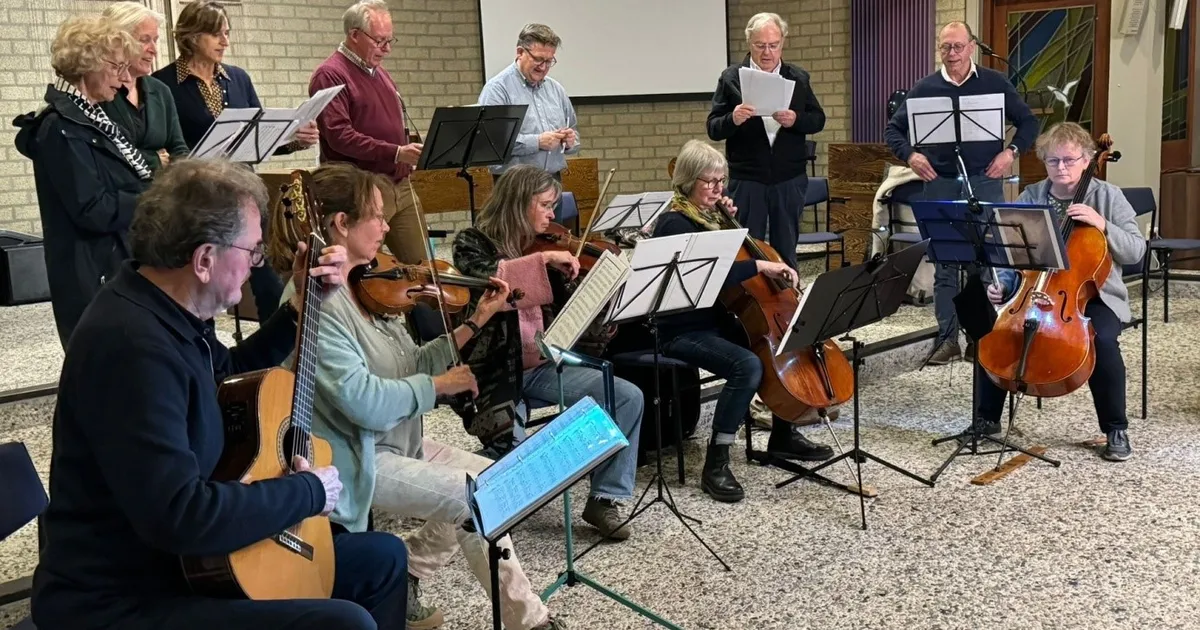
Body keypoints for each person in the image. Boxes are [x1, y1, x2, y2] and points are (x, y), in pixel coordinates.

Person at [29, 158, 408, 630]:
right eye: (251, 251)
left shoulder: (168, 309)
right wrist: (306, 492)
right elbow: (181, 514)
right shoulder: (132, 347)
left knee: (384, 558)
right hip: (122, 595)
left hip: (183, 561)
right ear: (205, 259)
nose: (256, 265)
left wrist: (299, 310)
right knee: (343, 623)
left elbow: (225, 377)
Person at [281, 162, 568, 630]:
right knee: (476, 497)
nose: (387, 226)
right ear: (340, 224)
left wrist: (478, 318)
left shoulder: (369, 290)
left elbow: (410, 363)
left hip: (399, 439)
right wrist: (438, 387)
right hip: (356, 455)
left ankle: (411, 568)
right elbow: (362, 401)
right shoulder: (321, 303)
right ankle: (530, 622)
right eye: (376, 215)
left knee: (491, 476)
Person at [452, 164, 642, 539]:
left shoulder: (549, 248)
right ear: (519, 204)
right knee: (507, 471)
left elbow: (572, 320)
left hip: (543, 365)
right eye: (545, 205)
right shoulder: (471, 242)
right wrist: (543, 262)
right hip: (494, 372)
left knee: (627, 397)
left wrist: (602, 310)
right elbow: (494, 280)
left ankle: (605, 498)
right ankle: (461, 489)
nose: (553, 215)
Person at [652, 140, 834, 502]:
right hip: (682, 329)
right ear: (688, 180)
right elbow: (715, 274)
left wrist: (727, 224)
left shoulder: (710, 217)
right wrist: (759, 264)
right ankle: (716, 461)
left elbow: (735, 273)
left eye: (722, 181)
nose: (719, 189)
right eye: (710, 182)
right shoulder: (674, 223)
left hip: (719, 321)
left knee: (786, 343)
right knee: (747, 365)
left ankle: (783, 436)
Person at [978, 122, 1144, 461]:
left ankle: (1115, 427)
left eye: (1070, 160)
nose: (1062, 168)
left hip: (1093, 296)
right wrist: (1003, 286)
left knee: (1102, 341)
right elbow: (1013, 256)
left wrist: (1103, 224)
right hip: (1034, 290)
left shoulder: (1108, 197)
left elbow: (1136, 251)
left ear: (1086, 160)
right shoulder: (1032, 197)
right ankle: (986, 419)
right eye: (1053, 161)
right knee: (993, 331)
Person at [152, 0, 319, 323]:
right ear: (191, 36)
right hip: (197, 199)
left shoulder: (238, 79)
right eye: (216, 34)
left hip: (243, 194)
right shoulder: (164, 85)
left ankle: (282, 351)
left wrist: (296, 139)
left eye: (226, 33)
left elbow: (261, 136)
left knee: (265, 277)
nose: (225, 41)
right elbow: (168, 145)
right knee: (203, 280)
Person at [884, 21, 1039, 365]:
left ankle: (983, 337)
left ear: (972, 47)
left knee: (988, 261)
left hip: (985, 180)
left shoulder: (994, 83)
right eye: (944, 48)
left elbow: (1029, 122)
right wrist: (911, 155)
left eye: (957, 47)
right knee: (945, 263)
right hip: (940, 183)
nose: (951, 54)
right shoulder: (924, 88)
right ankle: (947, 338)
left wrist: (1010, 152)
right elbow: (893, 130)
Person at [13, 15, 152, 348]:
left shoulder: (92, 117)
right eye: (117, 67)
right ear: (88, 62)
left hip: (115, 260)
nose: (124, 79)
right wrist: (155, 199)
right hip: (92, 274)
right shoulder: (59, 127)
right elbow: (93, 208)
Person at [308, 0, 428, 267]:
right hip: (363, 190)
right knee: (360, 271)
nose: (387, 49)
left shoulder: (380, 73)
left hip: (400, 185)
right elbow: (339, 136)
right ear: (354, 35)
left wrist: (409, 150)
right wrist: (396, 152)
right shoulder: (330, 74)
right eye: (380, 41)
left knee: (422, 270)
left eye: (390, 40)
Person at [707, 12, 825, 271]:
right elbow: (713, 128)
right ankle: (754, 306)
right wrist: (733, 119)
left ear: (783, 42)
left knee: (786, 249)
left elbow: (818, 120)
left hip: (788, 178)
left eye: (773, 45)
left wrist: (796, 119)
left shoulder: (798, 77)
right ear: (749, 43)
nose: (767, 52)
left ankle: (788, 302)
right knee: (750, 250)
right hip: (748, 180)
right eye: (760, 45)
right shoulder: (731, 77)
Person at [478, 23, 580, 182]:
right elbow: (493, 143)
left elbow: (574, 130)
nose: (544, 67)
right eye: (539, 59)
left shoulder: (556, 89)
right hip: (515, 185)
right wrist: (538, 142)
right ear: (520, 52)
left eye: (549, 61)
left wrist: (570, 141)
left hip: (552, 180)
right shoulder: (497, 89)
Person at [100, 1, 189, 172]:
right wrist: (154, 159)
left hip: (164, 194)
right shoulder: (99, 91)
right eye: (144, 40)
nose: (154, 50)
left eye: (155, 40)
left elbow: (179, 150)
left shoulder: (161, 90)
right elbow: (106, 156)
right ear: (118, 42)